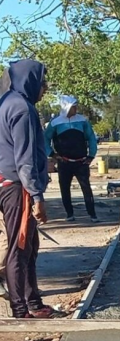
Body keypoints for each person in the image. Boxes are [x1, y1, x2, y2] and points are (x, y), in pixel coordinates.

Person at [0, 59, 64, 318]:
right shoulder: (23, 110)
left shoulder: (4, 102)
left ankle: (34, 302)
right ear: (31, 80)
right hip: (18, 188)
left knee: (30, 246)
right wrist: (37, 196)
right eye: (43, 82)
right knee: (20, 247)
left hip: (6, 181)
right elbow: (24, 159)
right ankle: (20, 310)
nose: (45, 88)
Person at [44, 96, 99, 222]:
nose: (76, 108)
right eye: (74, 106)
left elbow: (91, 138)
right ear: (66, 107)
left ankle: (92, 214)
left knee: (86, 188)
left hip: (81, 162)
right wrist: (52, 154)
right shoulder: (55, 123)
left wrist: (91, 155)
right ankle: (69, 214)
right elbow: (45, 139)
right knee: (64, 188)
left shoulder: (82, 121)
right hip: (64, 162)